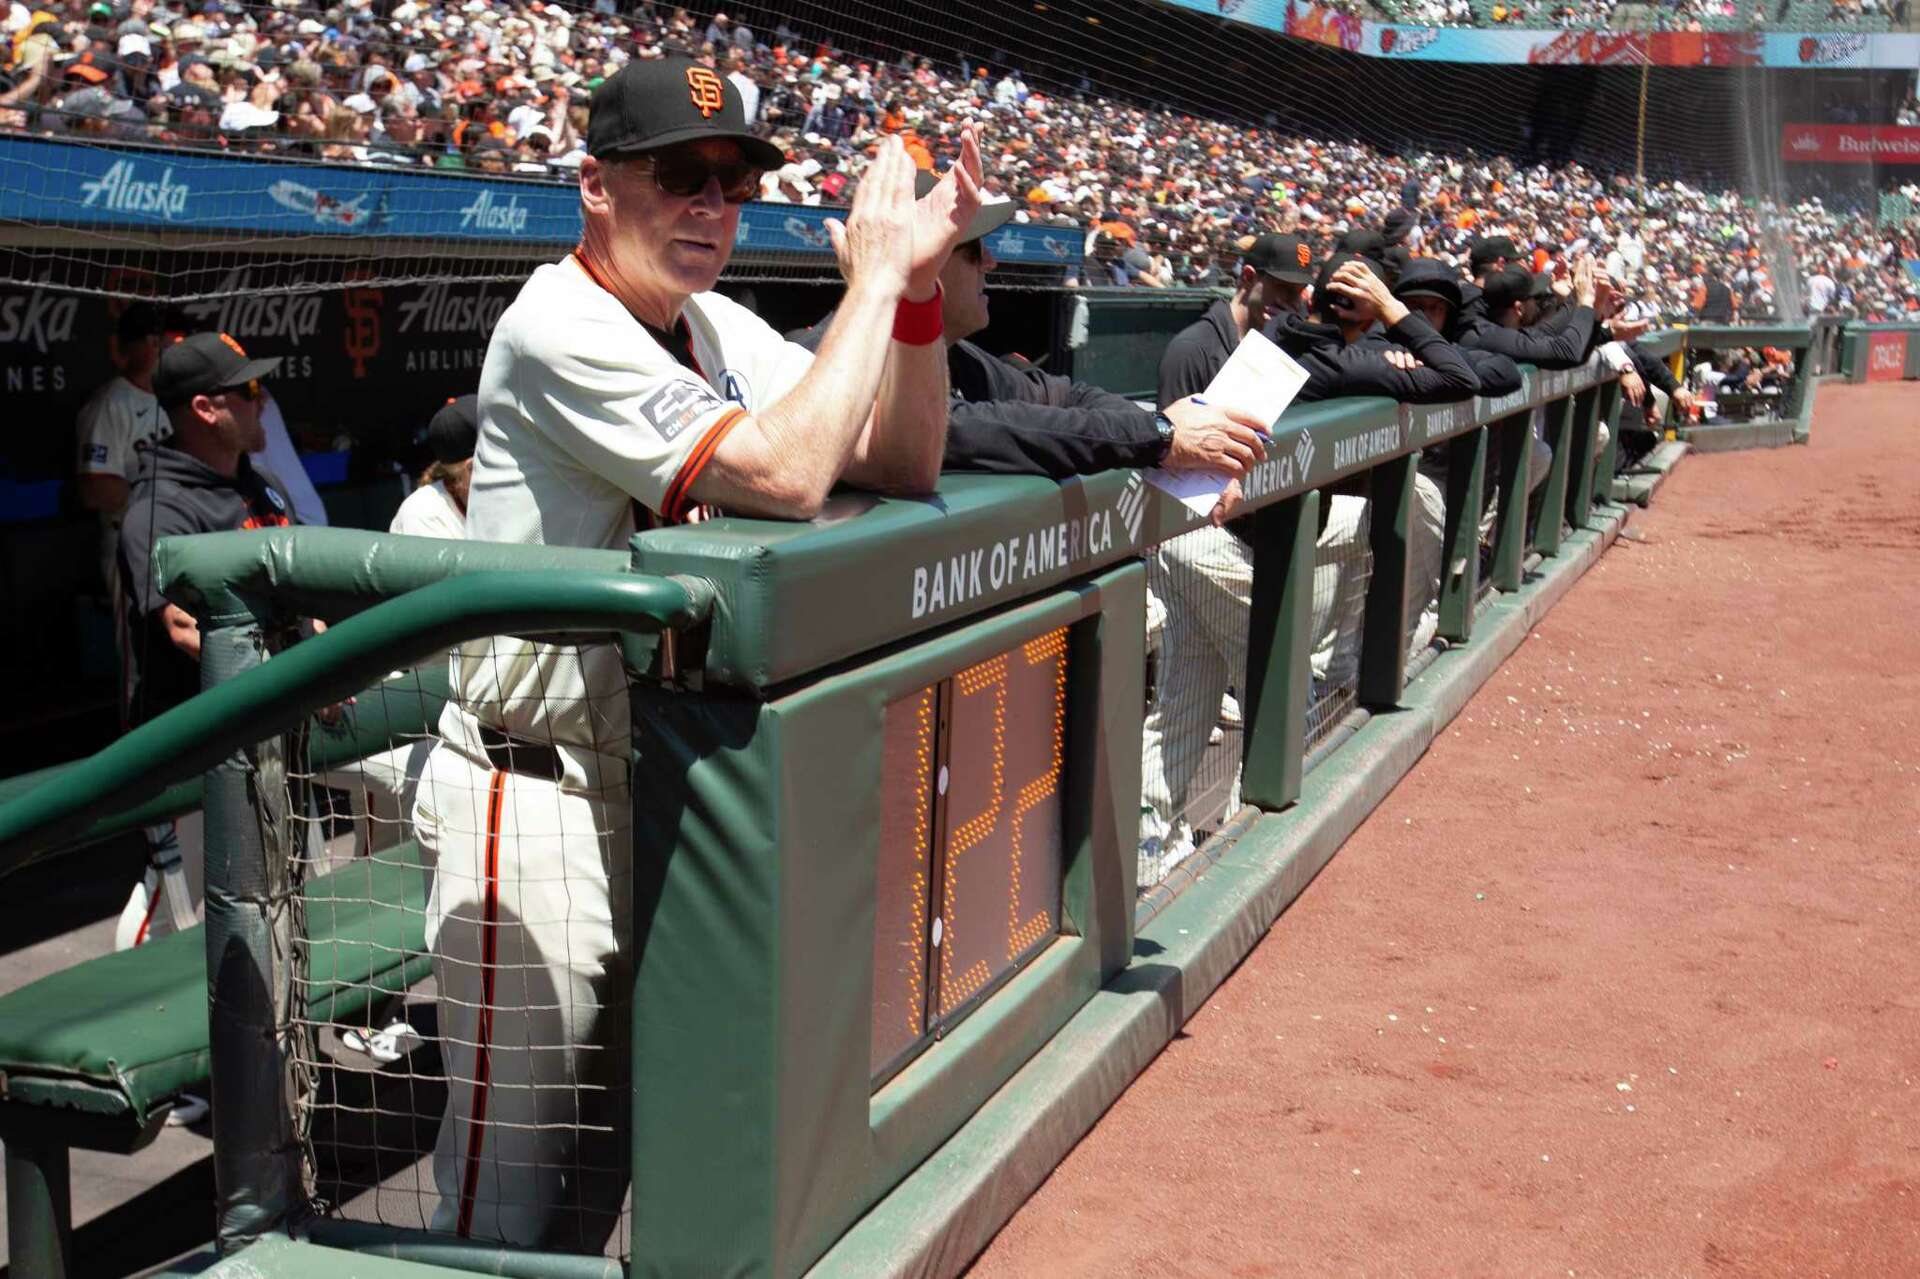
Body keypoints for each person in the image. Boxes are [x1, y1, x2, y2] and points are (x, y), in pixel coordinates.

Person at [410, 55, 980, 1249]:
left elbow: (895, 458)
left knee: (630, 1154)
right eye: (681, 176)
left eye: (734, 181)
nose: (712, 206)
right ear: (598, 187)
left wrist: (917, 297)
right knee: (501, 1199)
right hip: (536, 786)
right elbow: (787, 472)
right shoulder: (561, 325)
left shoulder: (707, 322)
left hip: (654, 783)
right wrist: (871, 278)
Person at [791, 172, 1270, 482]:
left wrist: (1161, 430)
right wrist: (1160, 435)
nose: (993, 262)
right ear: (925, 260)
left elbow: (1066, 398)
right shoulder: (823, 360)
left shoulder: (956, 355)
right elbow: (959, 428)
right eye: (975, 250)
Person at [115, 331, 293, 1122]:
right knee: (184, 917)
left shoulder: (258, 488)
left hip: (261, 737)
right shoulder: (157, 505)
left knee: (262, 902)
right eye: (249, 392)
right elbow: (188, 630)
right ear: (205, 407)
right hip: (181, 752)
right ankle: (152, 1059)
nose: (265, 402)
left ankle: (244, 1052)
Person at [75, 301, 167, 608]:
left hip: (176, 535)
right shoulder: (110, 404)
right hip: (132, 540)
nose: (160, 348)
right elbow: (95, 489)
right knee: (138, 645)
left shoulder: (173, 398)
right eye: (153, 340)